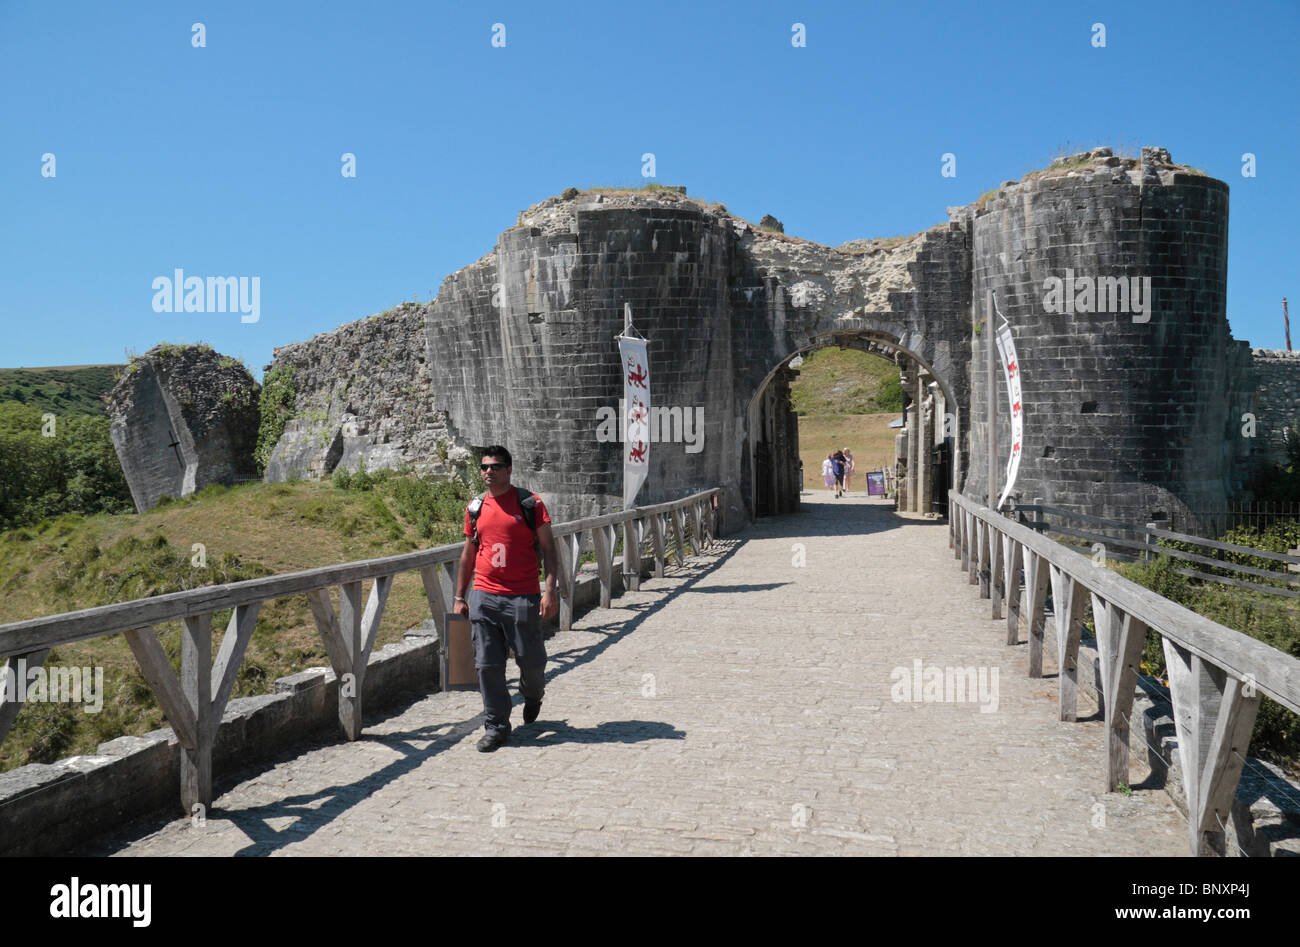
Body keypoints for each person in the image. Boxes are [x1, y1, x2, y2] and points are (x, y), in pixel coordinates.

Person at [453, 446, 559, 752]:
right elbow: (468, 555)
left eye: (495, 467)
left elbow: (550, 550)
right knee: (487, 665)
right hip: (484, 595)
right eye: (484, 467)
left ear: (509, 470)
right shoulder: (474, 507)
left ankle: (533, 693)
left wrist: (549, 589)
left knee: (533, 662)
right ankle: (497, 726)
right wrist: (460, 596)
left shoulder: (530, 503)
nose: (488, 472)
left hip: (523, 596)